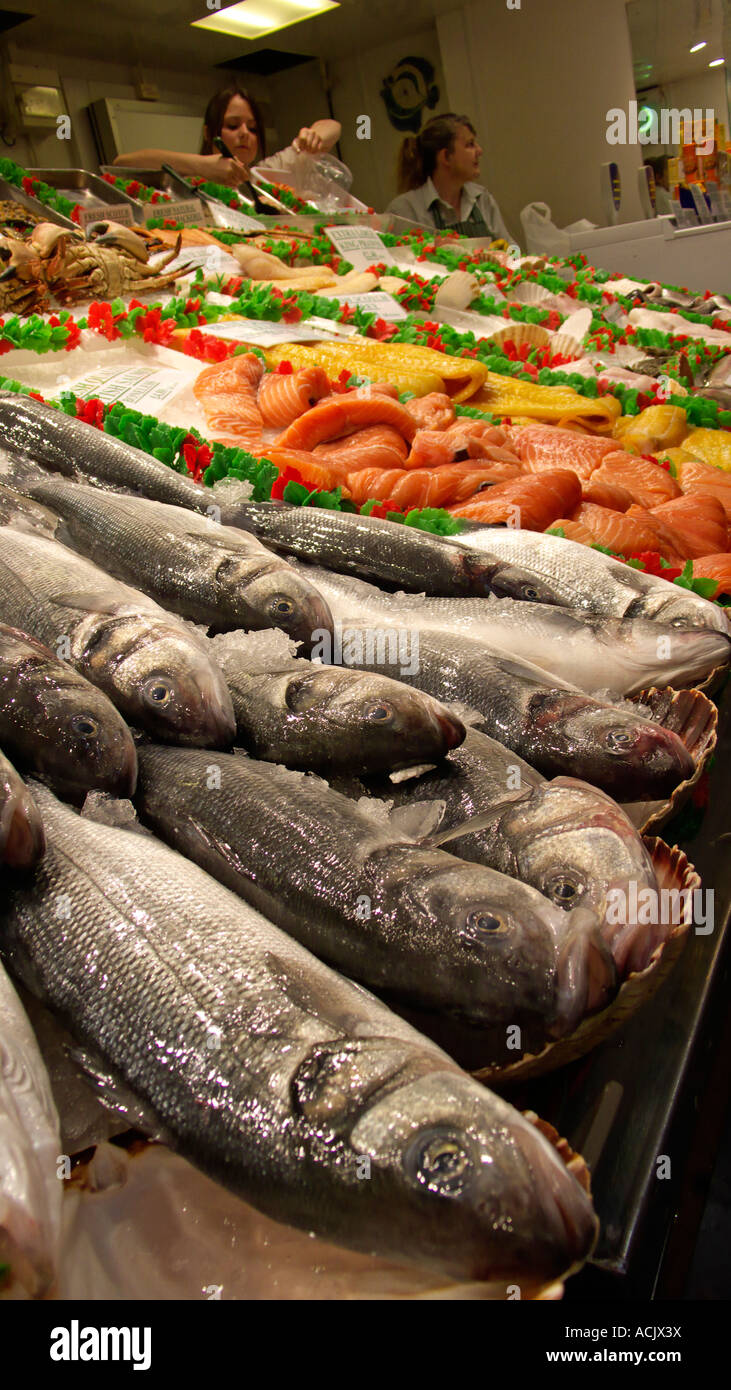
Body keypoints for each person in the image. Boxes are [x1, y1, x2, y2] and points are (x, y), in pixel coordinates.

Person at [113, 83, 342, 208]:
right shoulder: (184, 184)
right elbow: (122, 164)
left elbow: (332, 127)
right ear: (208, 133)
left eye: (252, 128)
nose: (245, 134)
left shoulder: (266, 174)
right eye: (232, 126)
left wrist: (313, 136)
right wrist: (203, 166)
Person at [386, 113, 512, 241]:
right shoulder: (404, 211)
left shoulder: (482, 198)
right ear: (446, 156)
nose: (479, 151)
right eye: (470, 144)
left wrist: (520, 259)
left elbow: (512, 249)